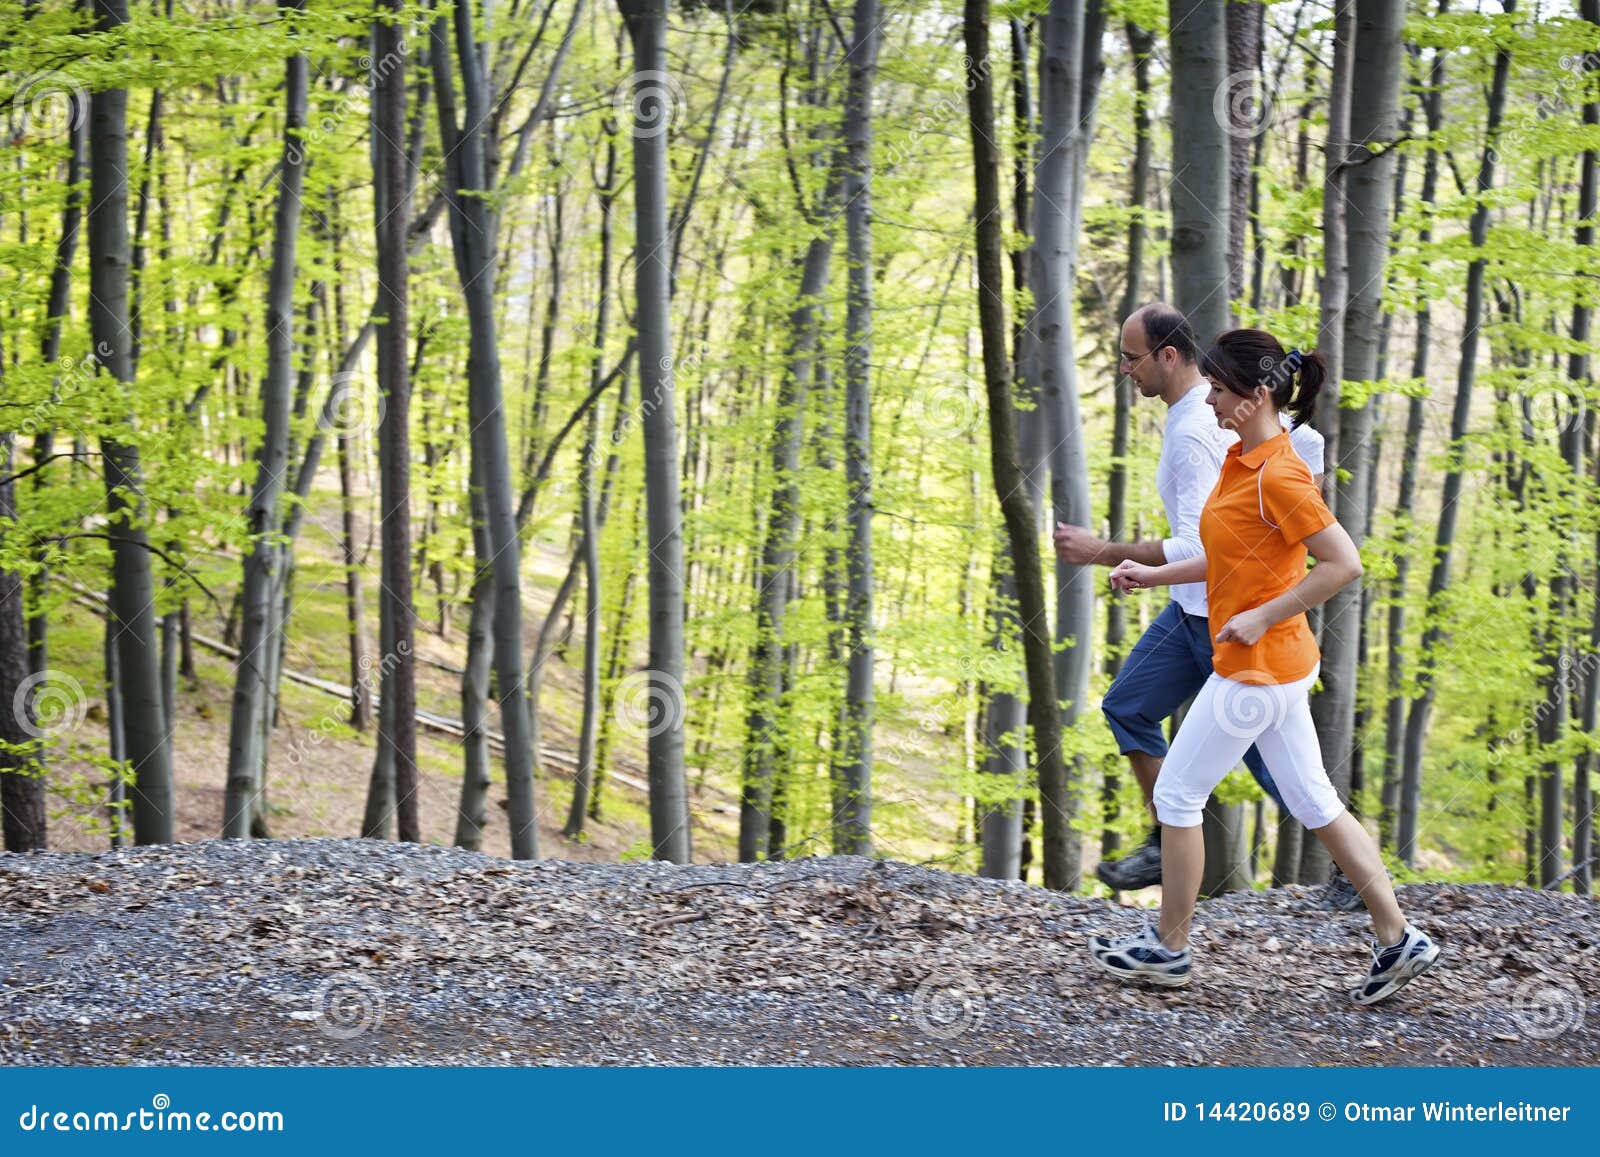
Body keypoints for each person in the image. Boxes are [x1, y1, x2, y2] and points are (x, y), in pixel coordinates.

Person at [1088, 329, 1439, 1005]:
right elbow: (1228, 554)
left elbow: (1343, 562)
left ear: (1252, 398)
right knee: (1314, 801)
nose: (1210, 399)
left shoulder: (1279, 472)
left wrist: (1263, 614)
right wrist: (1154, 573)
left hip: (1256, 669)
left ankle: (1168, 949)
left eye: (1219, 389)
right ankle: (1399, 937)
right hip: (1276, 669)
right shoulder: (1239, 461)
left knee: (1177, 796)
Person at [1054, 303, 1353, 901]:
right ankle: (1171, 848)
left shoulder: (1200, 430)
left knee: (1267, 760)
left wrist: (1102, 552)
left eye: (1131, 357)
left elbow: (1214, 540)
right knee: (1131, 706)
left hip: (1224, 617)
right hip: (1195, 606)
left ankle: (1177, 898)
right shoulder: (1204, 421)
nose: (1122, 369)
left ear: (1169, 355)